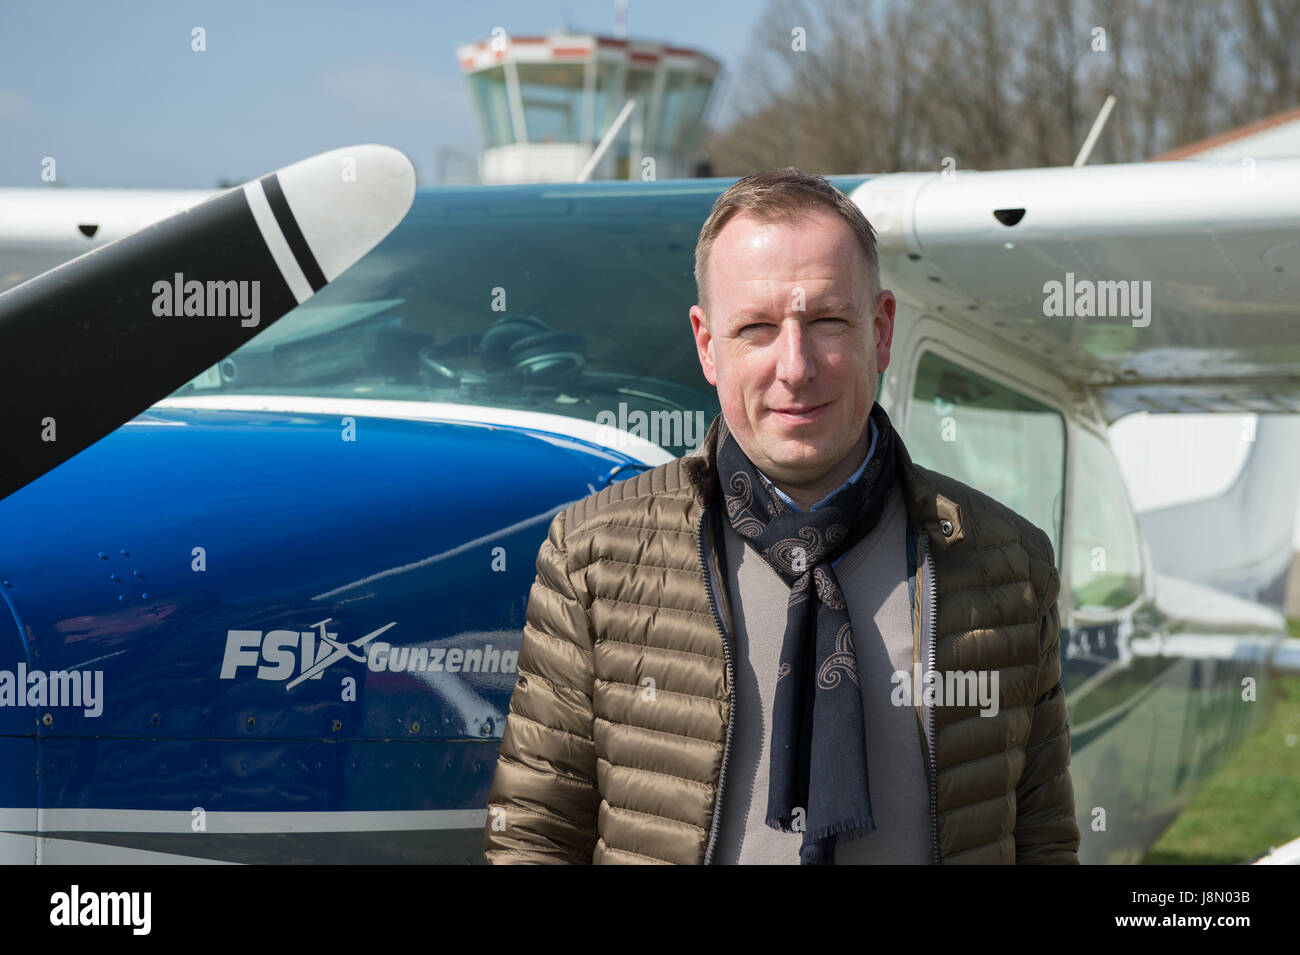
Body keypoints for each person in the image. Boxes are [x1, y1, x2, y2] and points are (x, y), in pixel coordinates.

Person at [482, 167, 1079, 864]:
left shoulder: (1008, 562)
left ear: (881, 331)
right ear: (707, 345)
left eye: (826, 321)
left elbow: (1043, 842)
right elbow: (534, 837)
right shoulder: (593, 558)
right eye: (757, 329)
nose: (794, 367)